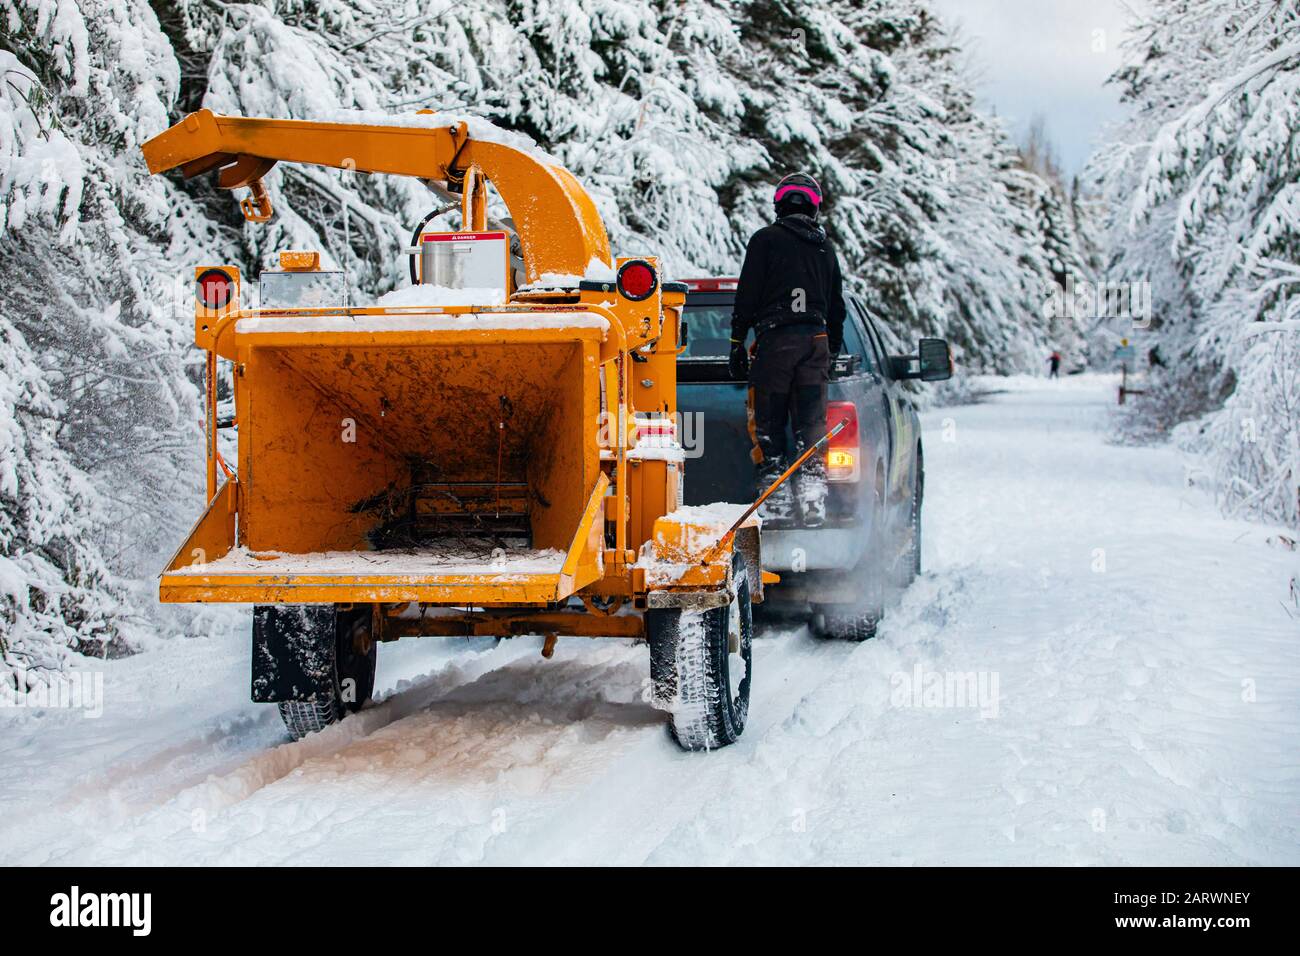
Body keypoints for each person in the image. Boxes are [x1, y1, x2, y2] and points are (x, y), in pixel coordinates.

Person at [729, 172, 845, 527]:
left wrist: (736, 341)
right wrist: (833, 351)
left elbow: (747, 293)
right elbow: (836, 306)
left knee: (768, 421)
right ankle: (812, 495)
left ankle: (775, 498)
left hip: (776, 342)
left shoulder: (765, 240)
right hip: (816, 342)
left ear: (779, 204)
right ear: (814, 207)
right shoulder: (825, 248)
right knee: (810, 421)